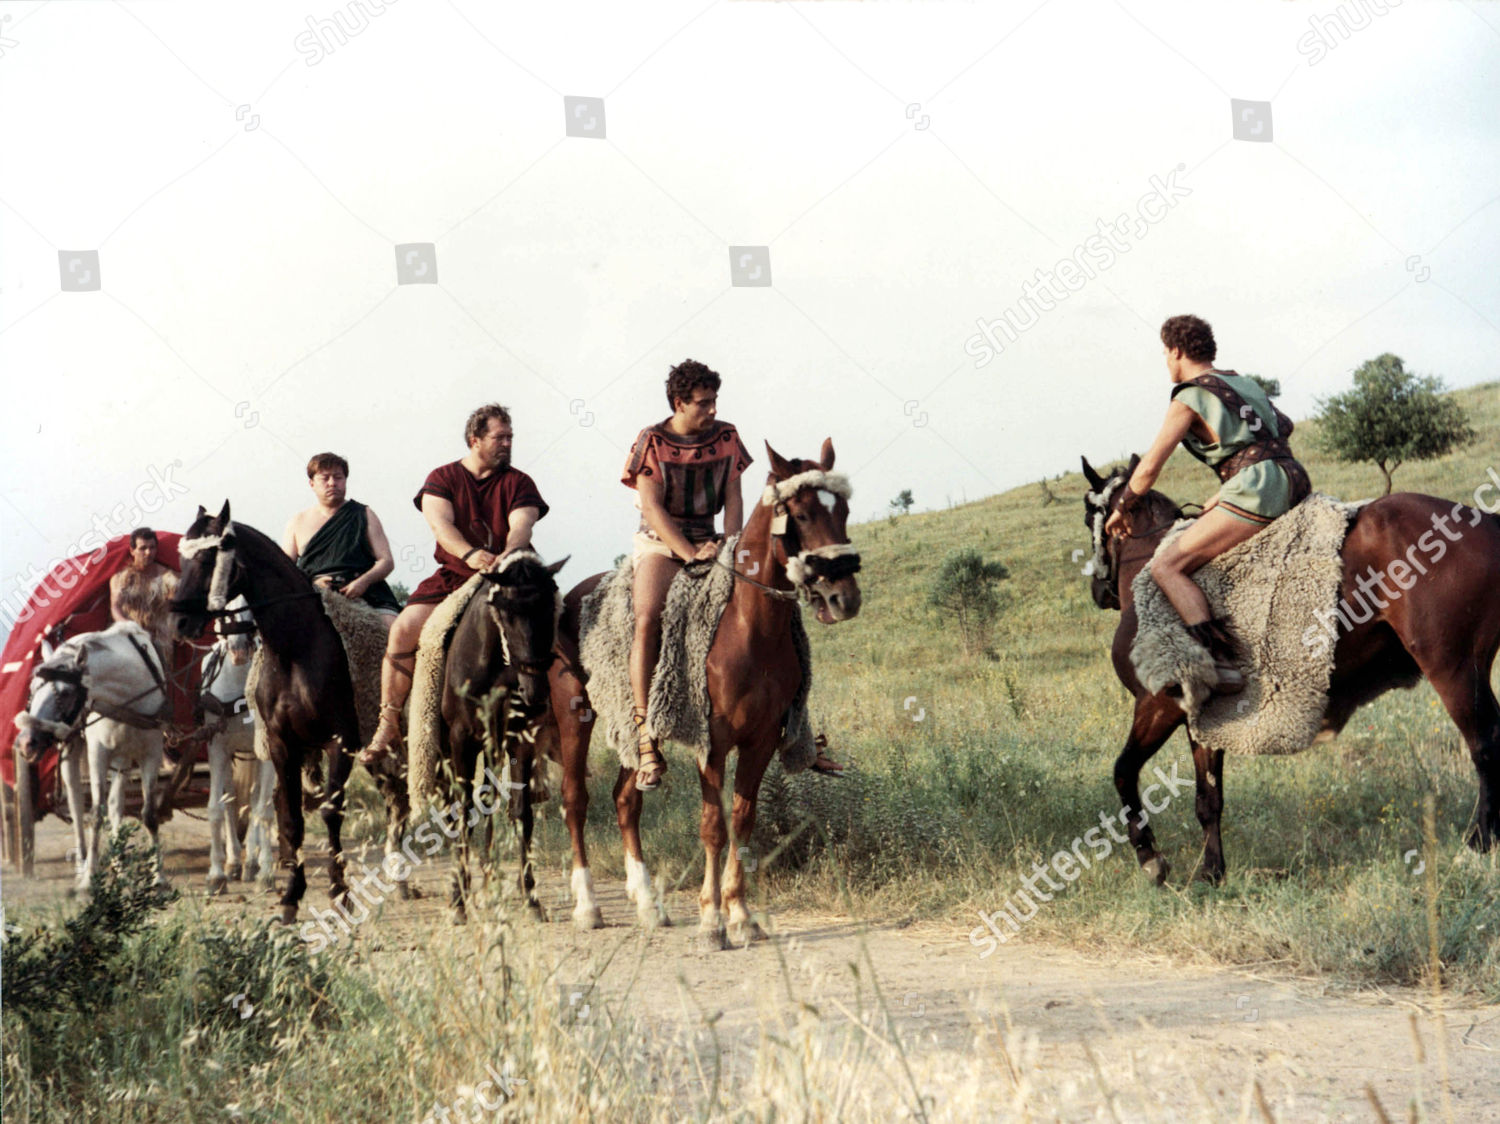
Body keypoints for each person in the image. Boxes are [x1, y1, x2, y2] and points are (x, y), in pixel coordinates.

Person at [1104, 315, 1311, 694]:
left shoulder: (1190, 395)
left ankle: (1222, 664)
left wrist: (1124, 507)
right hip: (1292, 477)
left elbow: (1150, 467)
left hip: (1259, 489)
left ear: (1177, 351)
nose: (1167, 361)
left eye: (1166, 353)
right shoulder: (1243, 383)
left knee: (1167, 566)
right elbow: (1284, 426)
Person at [357, 404, 548, 767]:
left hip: (512, 575)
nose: (507, 443)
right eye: (499, 437)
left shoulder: (519, 482)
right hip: (455, 576)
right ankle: (389, 723)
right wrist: (471, 553)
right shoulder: (442, 478)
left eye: (510, 437)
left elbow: (522, 525)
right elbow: (441, 527)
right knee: (403, 630)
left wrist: (506, 558)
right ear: (475, 440)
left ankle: (555, 722)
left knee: (555, 625)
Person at [621, 359, 751, 790]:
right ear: (679, 403)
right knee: (648, 616)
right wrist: (689, 553)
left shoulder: (727, 436)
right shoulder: (652, 441)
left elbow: (734, 497)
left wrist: (729, 545)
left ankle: (789, 722)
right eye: (703, 403)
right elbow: (652, 507)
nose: (712, 410)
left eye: (715, 401)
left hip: (713, 540)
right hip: (663, 543)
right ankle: (645, 734)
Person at [281, 452, 401, 626]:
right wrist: (312, 584)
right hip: (313, 596)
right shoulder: (297, 522)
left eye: (338, 477)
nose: (332, 483)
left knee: (396, 631)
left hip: (367, 594)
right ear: (312, 483)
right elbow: (286, 571)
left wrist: (363, 582)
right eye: (325, 478)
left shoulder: (363, 514)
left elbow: (386, 561)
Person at [110, 527, 178, 648]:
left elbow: (175, 606)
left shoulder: (168, 577)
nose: (148, 553)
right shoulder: (121, 578)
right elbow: (115, 606)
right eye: (143, 548)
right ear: (132, 551)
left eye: (152, 548)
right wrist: (127, 626)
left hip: (159, 641)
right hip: (130, 638)